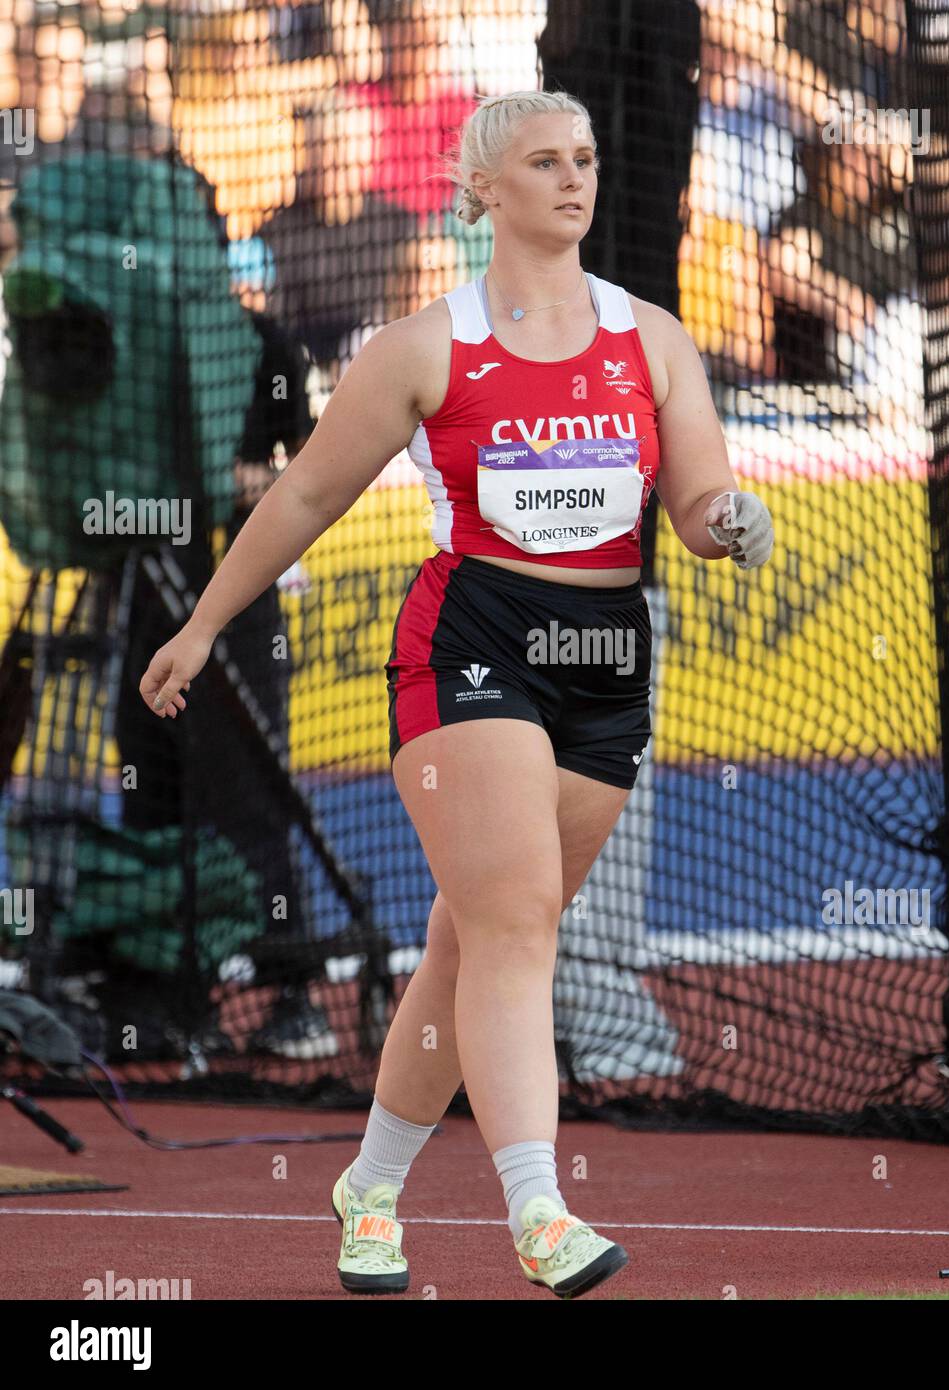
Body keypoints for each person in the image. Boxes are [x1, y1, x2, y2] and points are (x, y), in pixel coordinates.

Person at [137, 90, 774, 1299]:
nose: (574, 179)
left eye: (585, 158)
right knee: (520, 915)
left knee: (470, 944)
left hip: (606, 655)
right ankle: (539, 1207)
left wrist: (729, 519)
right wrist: (205, 623)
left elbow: (694, 505)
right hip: (471, 638)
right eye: (544, 162)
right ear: (485, 188)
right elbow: (306, 497)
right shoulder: (428, 344)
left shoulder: (653, 337)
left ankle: (369, 1188)